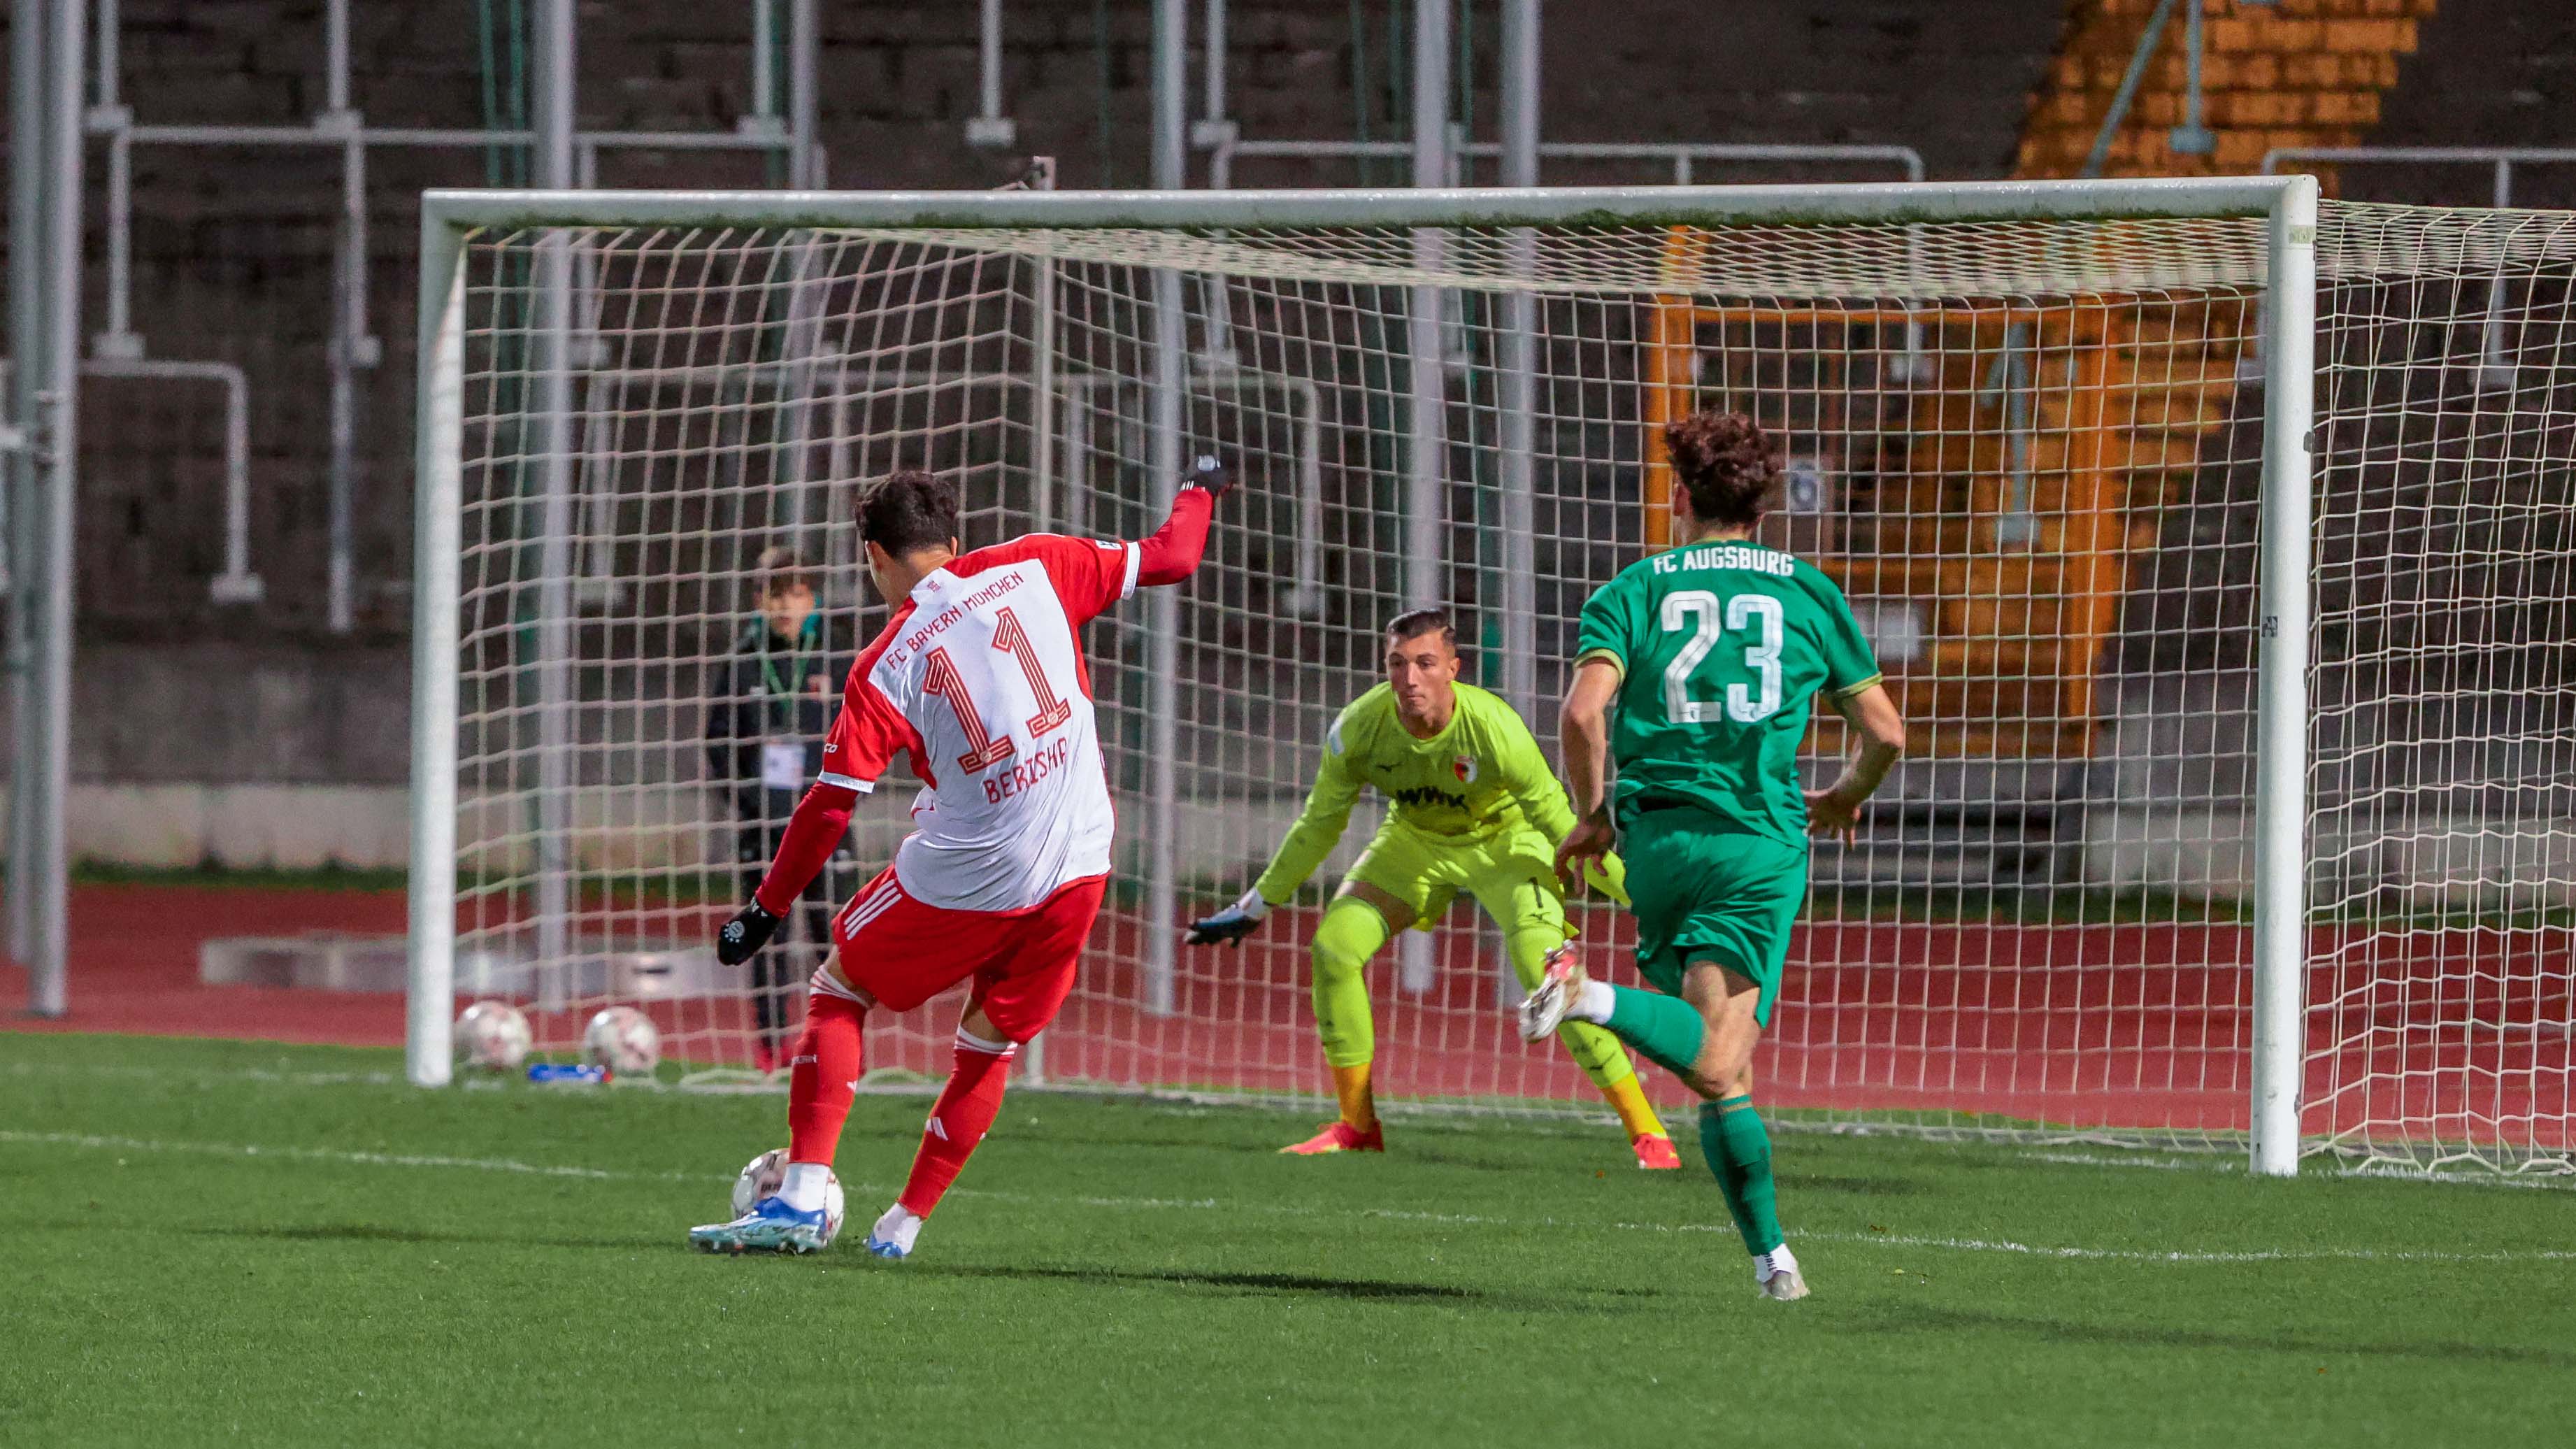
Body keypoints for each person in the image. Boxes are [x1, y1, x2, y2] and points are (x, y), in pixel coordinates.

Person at [689, 458, 1229, 1258]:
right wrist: (1201, 487)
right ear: (954, 536)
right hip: (1082, 856)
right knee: (989, 1042)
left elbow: (830, 804)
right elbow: (1177, 555)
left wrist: (768, 907)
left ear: (872, 556)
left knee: (839, 987)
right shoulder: (1038, 563)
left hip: (975, 865)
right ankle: (901, 1225)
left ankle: (800, 1199)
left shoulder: (884, 662)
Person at [1522, 410, 1907, 1301]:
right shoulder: (1809, 593)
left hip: (1657, 842)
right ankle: (1587, 995)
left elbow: (1583, 715)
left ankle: (1775, 1261)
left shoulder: (1635, 588)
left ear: (1683, 495)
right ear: (1764, 506)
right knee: (1713, 1058)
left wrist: (1594, 815)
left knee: (1727, 1071)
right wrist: (1844, 797)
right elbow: (1886, 731)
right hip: (1754, 842)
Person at [1185, 609, 1680, 1171]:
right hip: (1414, 844)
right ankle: (1357, 1126)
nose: (1410, 678)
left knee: (1545, 974)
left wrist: (1646, 897)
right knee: (1334, 947)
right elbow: (1319, 823)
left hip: (1507, 845)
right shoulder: (1358, 729)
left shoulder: (1492, 726)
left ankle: (1649, 1135)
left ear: (1453, 669)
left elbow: (1559, 821)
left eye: (1424, 663)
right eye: (1397, 664)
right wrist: (1257, 903)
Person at [703, 546, 857, 1073]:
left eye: (795, 595)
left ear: (811, 599)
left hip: (825, 826)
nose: (786, 607)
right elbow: (717, 744)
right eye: (776, 596)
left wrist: (841, 797)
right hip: (764, 828)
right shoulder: (742, 662)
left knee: (833, 939)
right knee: (765, 940)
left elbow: (858, 733)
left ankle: (839, 1051)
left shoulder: (834, 661)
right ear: (759, 602)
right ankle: (770, 1050)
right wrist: (750, 800)